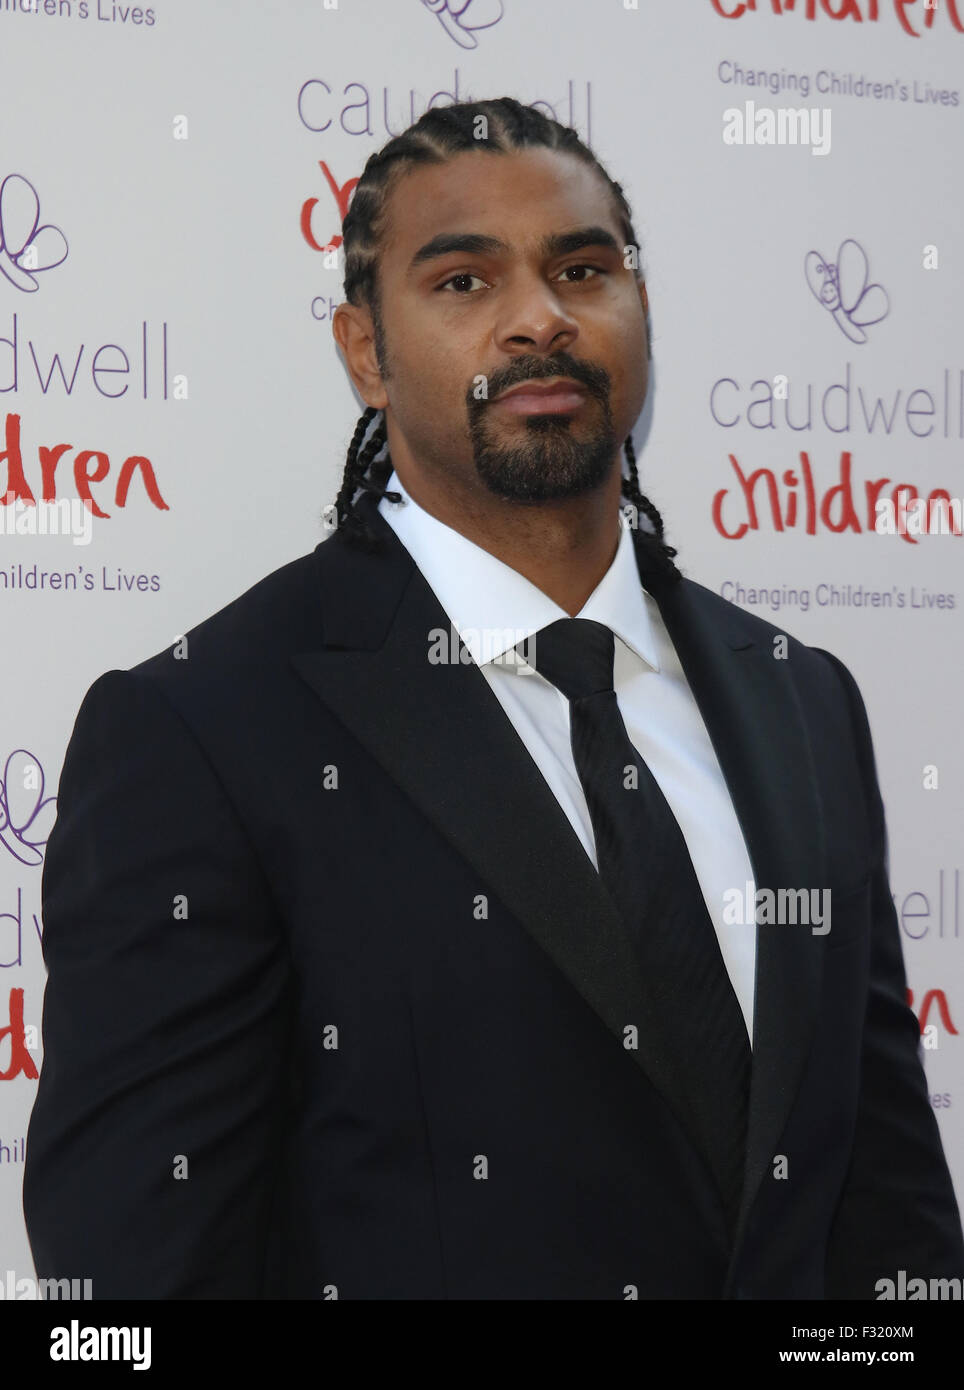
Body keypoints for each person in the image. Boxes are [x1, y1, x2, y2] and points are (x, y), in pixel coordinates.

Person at [23, 97, 963, 1300]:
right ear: (365, 351)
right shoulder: (205, 731)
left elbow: (886, 1206)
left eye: (583, 267)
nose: (540, 319)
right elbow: (138, 1276)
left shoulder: (804, 704)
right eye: (463, 282)